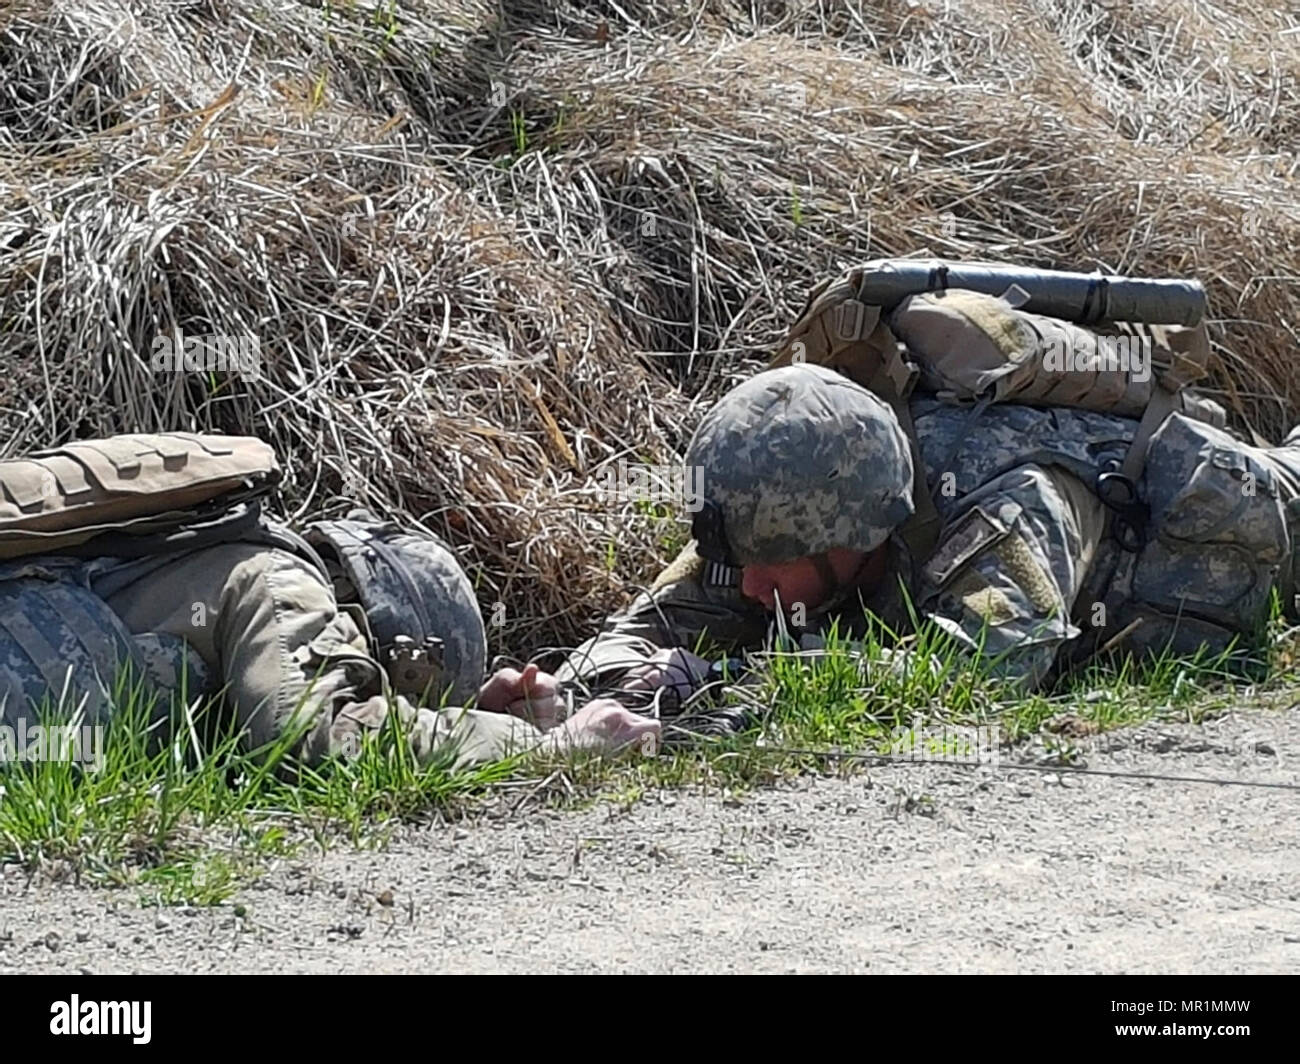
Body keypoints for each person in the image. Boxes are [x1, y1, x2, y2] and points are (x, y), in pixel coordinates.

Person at [555, 359, 1300, 710]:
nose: (750, 587)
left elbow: (981, 677)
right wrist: (559, 694)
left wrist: (716, 688)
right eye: (738, 561)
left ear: (859, 533)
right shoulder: (776, 519)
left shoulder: (1010, 502)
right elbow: (649, 627)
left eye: (770, 566)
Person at [0, 440, 659, 770]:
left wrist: (464, 721)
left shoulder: (190, 554)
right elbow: (317, 736)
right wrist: (549, 745)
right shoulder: (278, 579)